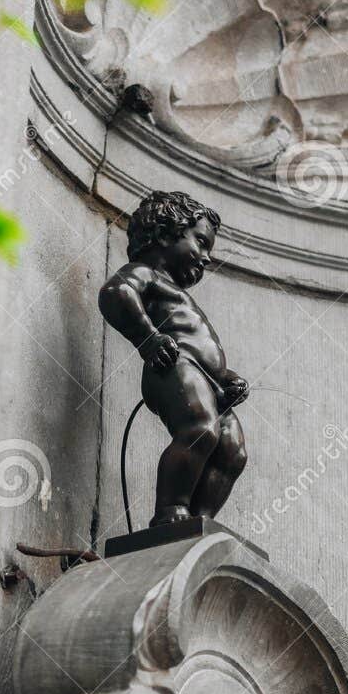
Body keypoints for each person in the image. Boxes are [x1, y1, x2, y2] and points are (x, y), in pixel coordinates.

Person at [98, 190, 249, 526]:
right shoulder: (144, 274)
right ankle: (170, 512)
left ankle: (201, 519)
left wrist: (227, 379)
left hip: (207, 380)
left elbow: (203, 346)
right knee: (200, 431)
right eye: (201, 242)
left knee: (231, 450)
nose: (207, 258)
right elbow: (115, 293)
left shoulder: (178, 294)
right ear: (166, 233)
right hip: (173, 365)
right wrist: (148, 340)